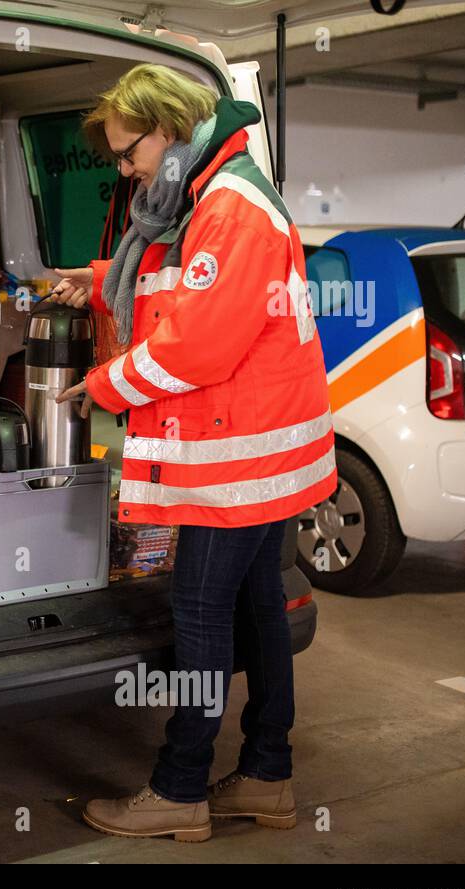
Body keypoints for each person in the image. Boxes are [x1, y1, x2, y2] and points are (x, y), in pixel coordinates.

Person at [52, 64, 337, 843]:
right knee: (258, 608)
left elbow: (200, 343)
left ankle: (180, 788)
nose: (125, 169)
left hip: (236, 462)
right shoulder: (213, 191)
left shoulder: (231, 206)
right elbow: (189, 284)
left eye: (128, 152)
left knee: (203, 613)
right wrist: (104, 274)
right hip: (260, 453)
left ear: (169, 129)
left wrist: (105, 386)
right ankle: (267, 774)